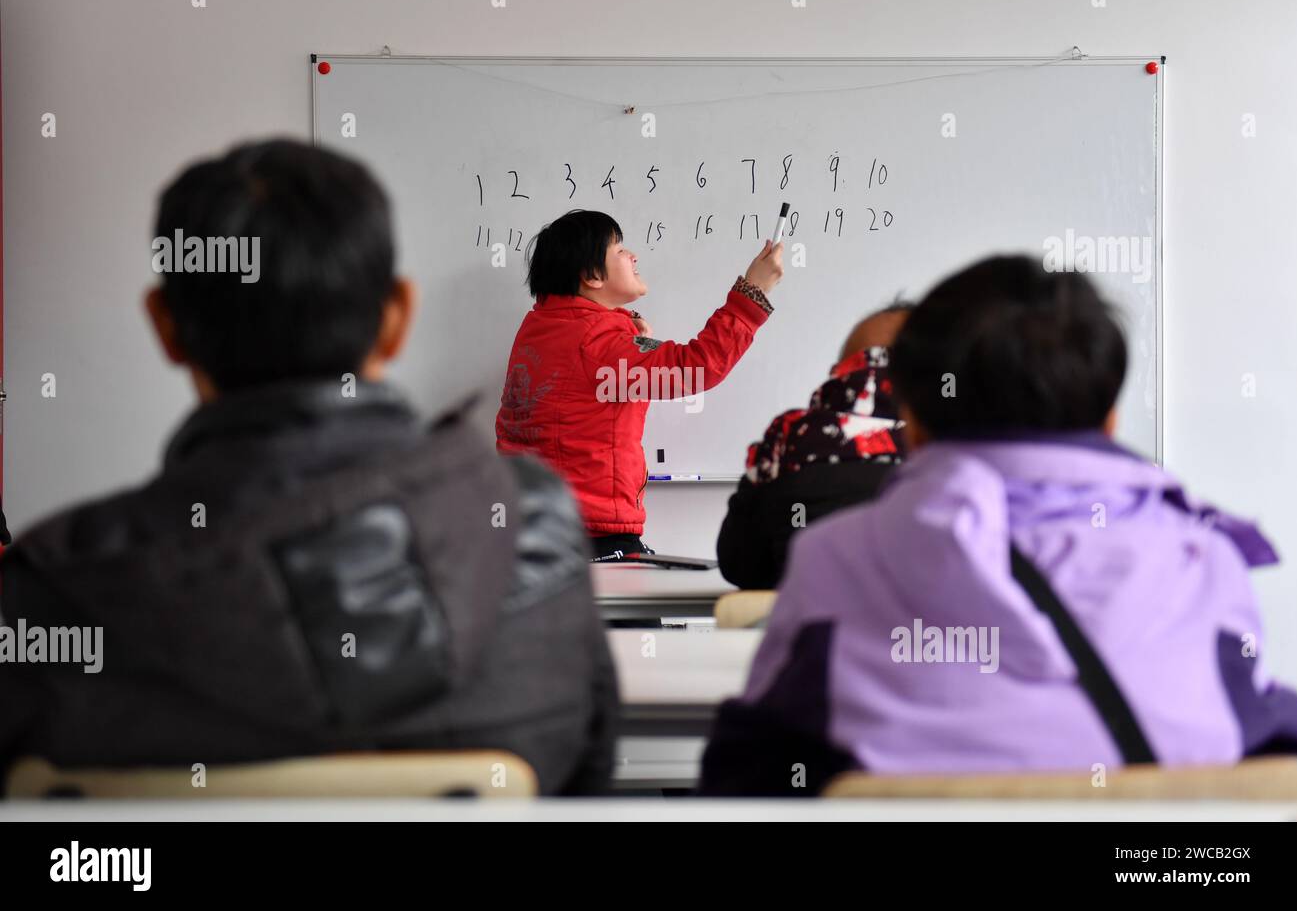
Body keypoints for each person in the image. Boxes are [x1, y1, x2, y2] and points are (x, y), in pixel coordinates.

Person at [0, 139, 616, 795]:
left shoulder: (49, 586)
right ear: (396, 318)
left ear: (166, 327)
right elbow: (587, 791)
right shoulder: (533, 529)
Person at [699, 254, 1297, 795]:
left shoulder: (837, 558)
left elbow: (750, 772)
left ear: (913, 423)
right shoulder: (1205, 558)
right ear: (1110, 421)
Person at [495, 209, 783, 559]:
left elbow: (588, 386)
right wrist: (752, 293)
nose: (633, 256)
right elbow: (697, 366)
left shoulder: (540, 329)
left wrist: (632, 336)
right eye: (618, 249)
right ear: (590, 276)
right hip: (592, 536)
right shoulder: (598, 344)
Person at [716, 301, 911, 589]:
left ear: (839, 373)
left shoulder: (788, 440)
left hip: (813, 629)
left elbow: (739, 564)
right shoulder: (964, 450)